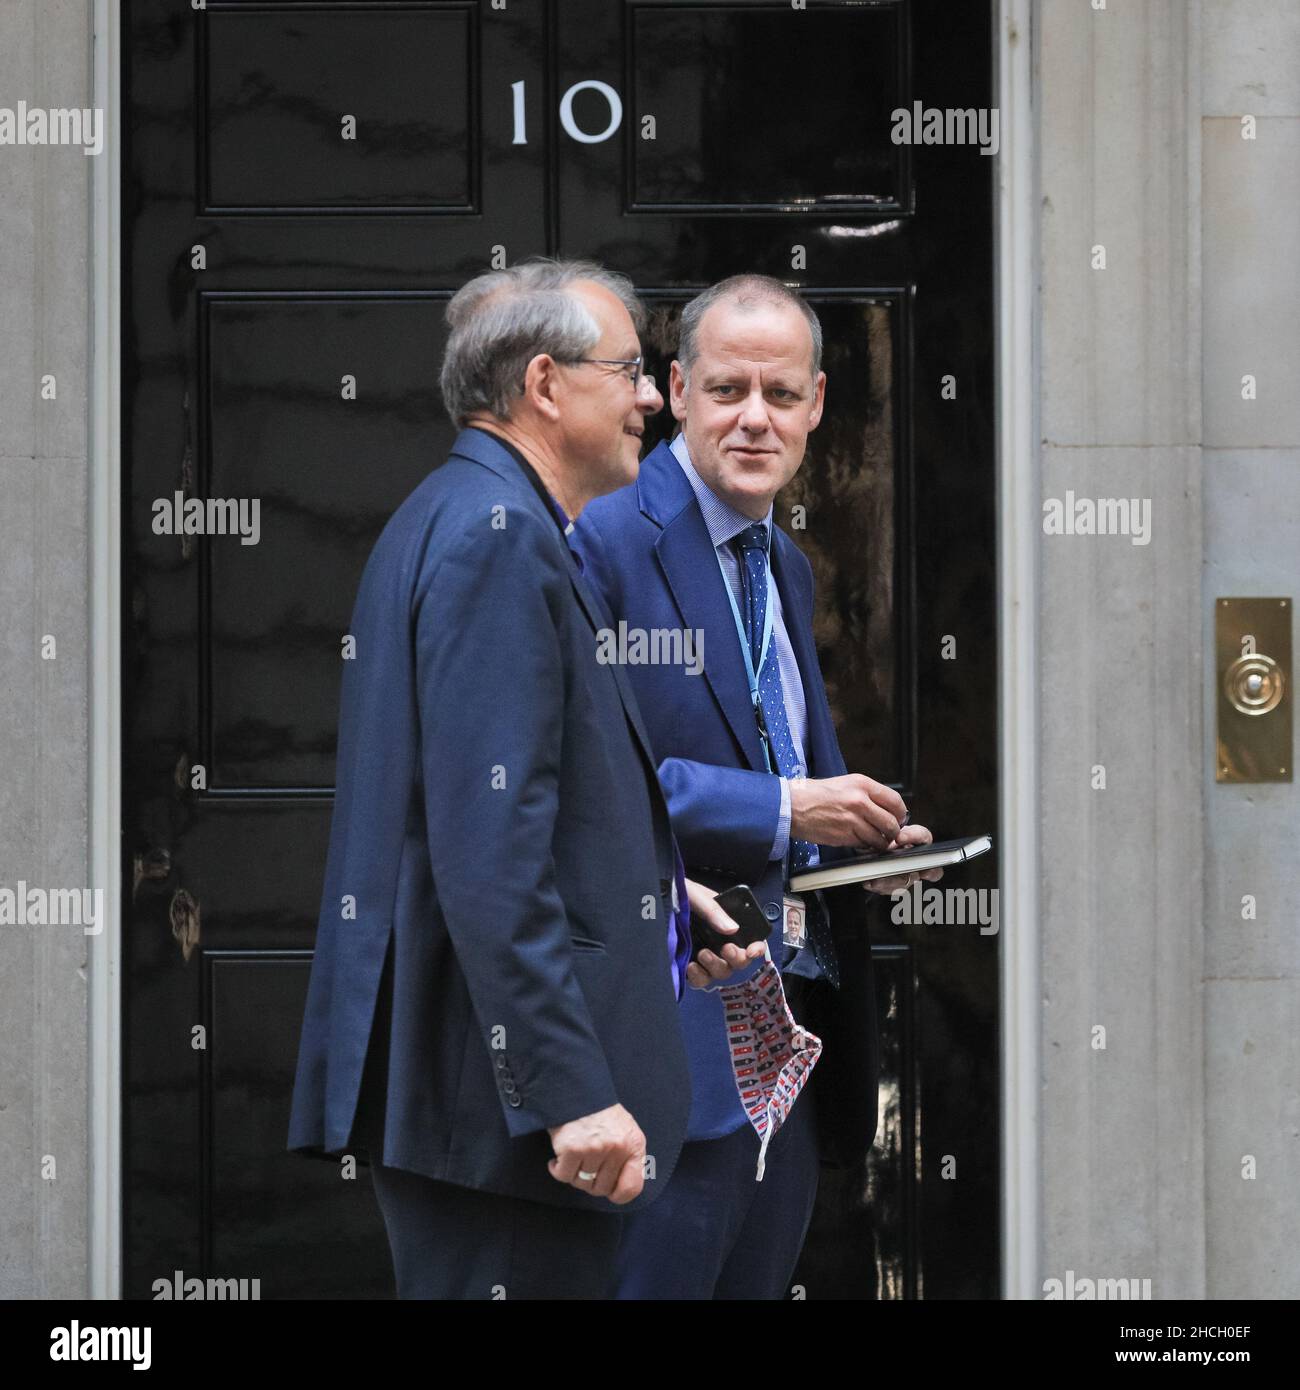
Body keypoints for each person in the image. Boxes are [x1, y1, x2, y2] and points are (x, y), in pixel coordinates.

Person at [287, 259, 761, 1300]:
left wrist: (656, 906)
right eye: (632, 369)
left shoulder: (466, 514)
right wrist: (572, 1095)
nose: (652, 396)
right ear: (545, 384)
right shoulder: (495, 540)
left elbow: (490, 810)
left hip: (481, 1109)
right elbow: (487, 854)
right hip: (504, 1119)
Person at [573, 274, 942, 1299]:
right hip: (672, 1040)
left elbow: (776, 762)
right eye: (728, 388)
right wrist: (790, 809)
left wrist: (843, 850)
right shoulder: (603, 538)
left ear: (817, 405)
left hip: (794, 1034)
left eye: (780, 395)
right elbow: (596, 783)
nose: (753, 418)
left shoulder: (782, 562)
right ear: (677, 390)